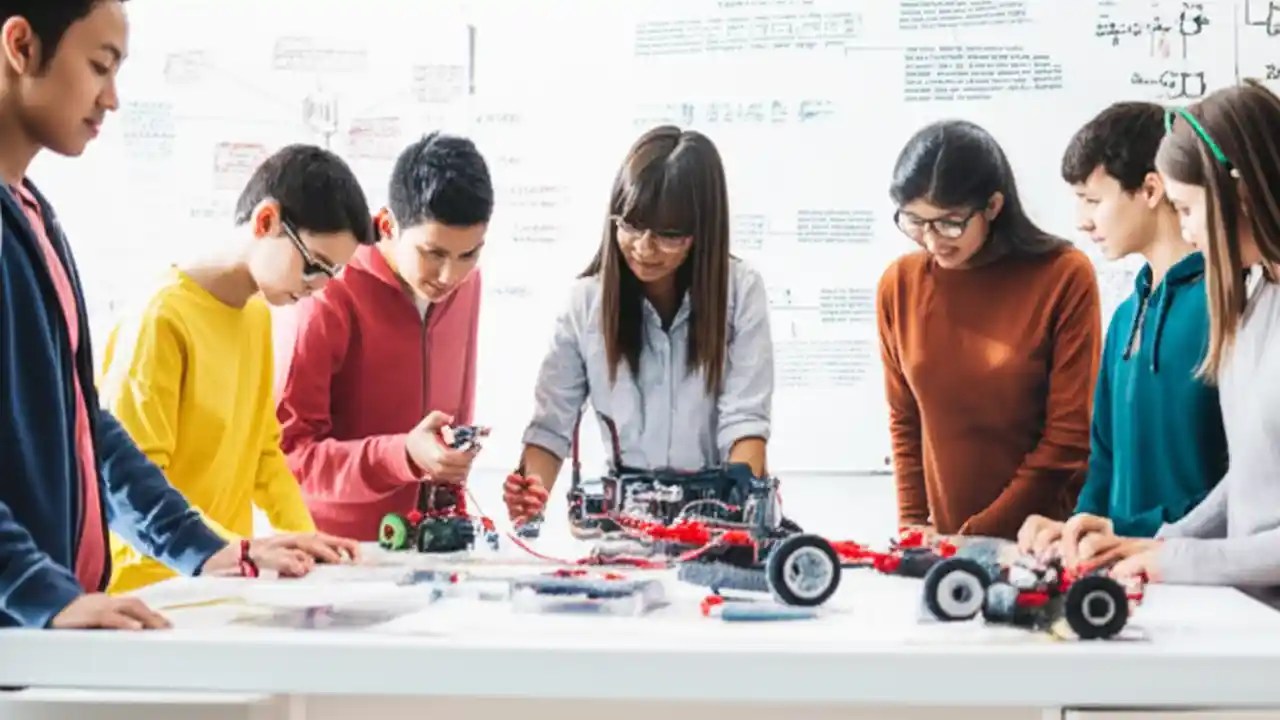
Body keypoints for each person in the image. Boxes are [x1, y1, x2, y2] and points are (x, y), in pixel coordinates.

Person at [0, 0, 337, 631]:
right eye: (100, 67)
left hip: (44, 633)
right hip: (29, 629)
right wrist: (42, 596)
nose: (112, 98)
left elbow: (85, 425)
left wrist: (207, 550)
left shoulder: (35, 217)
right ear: (20, 46)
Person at [97, 144, 371, 593]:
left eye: (332, 275)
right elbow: (135, 486)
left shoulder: (256, 314)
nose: (317, 289)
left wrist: (307, 537)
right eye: (313, 267)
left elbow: (265, 451)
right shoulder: (160, 319)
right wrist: (234, 550)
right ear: (266, 222)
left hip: (225, 581)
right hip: (151, 589)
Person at [1058, 80, 1280, 593]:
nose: (1186, 229)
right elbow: (1248, 483)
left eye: (1185, 208)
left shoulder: (1237, 301)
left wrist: (1176, 560)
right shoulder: (1258, 303)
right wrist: (1159, 544)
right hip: (1245, 615)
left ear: (1238, 193)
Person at [502, 126, 773, 523]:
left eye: (668, 234)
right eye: (630, 225)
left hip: (713, 518)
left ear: (703, 231)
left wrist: (742, 513)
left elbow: (745, 422)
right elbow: (551, 426)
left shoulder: (740, 292)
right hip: (624, 525)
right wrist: (530, 497)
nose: (644, 247)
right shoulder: (585, 303)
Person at [875, 119, 1102, 541]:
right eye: (915, 221)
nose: (931, 239)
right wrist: (913, 528)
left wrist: (975, 537)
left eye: (949, 222)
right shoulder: (899, 284)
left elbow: (1068, 441)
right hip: (945, 547)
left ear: (994, 206)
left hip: (1041, 542)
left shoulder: (1063, 276)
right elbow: (905, 420)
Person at [1017, 102, 1228, 556]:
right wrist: (1075, 530)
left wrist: (1133, 532)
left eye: (1093, 200)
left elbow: (1242, 489)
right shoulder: (1123, 319)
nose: (1081, 221)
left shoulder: (1226, 307)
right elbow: (1104, 463)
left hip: (1207, 583)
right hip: (1122, 575)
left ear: (1150, 189)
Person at [277, 132, 488, 541]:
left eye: (469, 254)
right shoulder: (326, 292)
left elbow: (458, 411)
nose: (451, 276)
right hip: (336, 557)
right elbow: (290, 457)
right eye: (434, 253)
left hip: (434, 546)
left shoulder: (468, 284)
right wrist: (402, 455)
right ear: (388, 224)